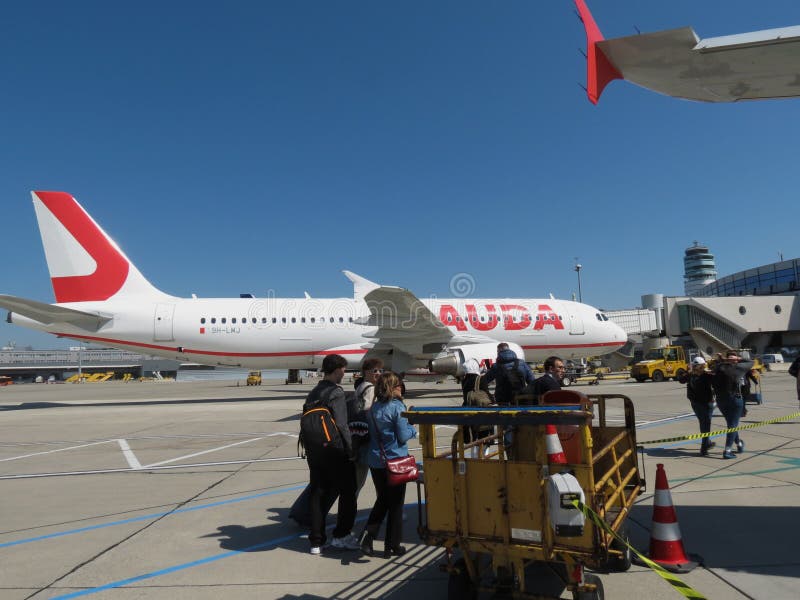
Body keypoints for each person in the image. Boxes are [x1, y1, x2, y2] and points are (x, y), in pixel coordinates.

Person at [302, 354, 360, 554]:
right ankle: (342, 535)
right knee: (348, 491)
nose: (345, 373)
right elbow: (342, 424)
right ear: (337, 370)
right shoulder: (336, 392)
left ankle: (316, 541)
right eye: (343, 370)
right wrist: (350, 450)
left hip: (314, 450)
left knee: (317, 493)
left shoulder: (313, 392)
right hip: (335, 450)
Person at [360, 371, 418, 559]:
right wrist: (412, 428)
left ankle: (369, 536)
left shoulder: (374, 408)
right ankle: (392, 545)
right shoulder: (397, 408)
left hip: (376, 460)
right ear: (393, 388)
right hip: (395, 460)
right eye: (398, 385)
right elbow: (402, 436)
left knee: (383, 499)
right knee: (396, 504)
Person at [350, 357, 384, 496]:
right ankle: (385, 509)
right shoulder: (370, 389)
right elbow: (369, 412)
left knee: (358, 479)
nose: (378, 373)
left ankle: (349, 510)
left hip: (358, 436)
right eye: (374, 370)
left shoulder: (360, 386)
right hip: (368, 439)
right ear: (366, 372)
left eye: (380, 370)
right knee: (377, 479)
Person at [711, 350, 753, 459]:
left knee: (731, 424)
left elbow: (713, 366)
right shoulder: (738, 368)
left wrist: (723, 360)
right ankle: (727, 450)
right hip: (734, 399)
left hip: (720, 400)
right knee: (733, 425)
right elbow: (750, 362)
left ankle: (738, 444)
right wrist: (738, 359)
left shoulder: (718, 368)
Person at [678, 356, 717, 456]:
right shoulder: (699, 375)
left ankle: (707, 443)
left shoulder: (700, 374)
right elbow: (681, 379)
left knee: (704, 423)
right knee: (705, 424)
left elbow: (681, 379)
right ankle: (704, 447)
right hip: (701, 403)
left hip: (701, 402)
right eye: (702, 365)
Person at [460, 358, 494, 448]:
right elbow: (486, 395)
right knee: (484, 441)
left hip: (468, 412)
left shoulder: (464, 381)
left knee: (473, 441)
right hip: (481, 412)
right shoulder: (480, 379)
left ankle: (474, 459)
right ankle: (483, 459)